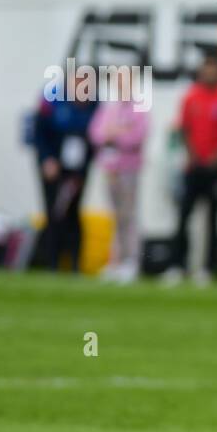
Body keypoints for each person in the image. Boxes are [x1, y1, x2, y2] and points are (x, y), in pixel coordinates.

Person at [163, 51, 217, 286]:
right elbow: (184, 130)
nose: (210, 71)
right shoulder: (191, 97)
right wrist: (194, 156)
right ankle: (177, 265)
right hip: (193, 167)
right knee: (183, 216)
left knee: (213, 219)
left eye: (214, 67)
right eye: (206, 67)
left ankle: (207, 267)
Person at [88, 70, 149, 283]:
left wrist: (115, 134)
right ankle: (116, 260)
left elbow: (137, 136)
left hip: (128, 169)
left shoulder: (138, 108)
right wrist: (117, 132)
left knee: (128, 214)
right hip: (111, 169)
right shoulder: (110, 108)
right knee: (115, 216)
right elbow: (96, 133)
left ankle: (131, 260)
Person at [32, 73, 96, 272]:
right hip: (54, 165)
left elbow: (95, 139)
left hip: (76, 169)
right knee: (53, 213)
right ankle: (52, 262)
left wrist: (82, 170)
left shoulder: (94, 104)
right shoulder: (52, 99)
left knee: (73, 214)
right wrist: (46, 159)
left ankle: (75, 263)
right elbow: (39, 132)